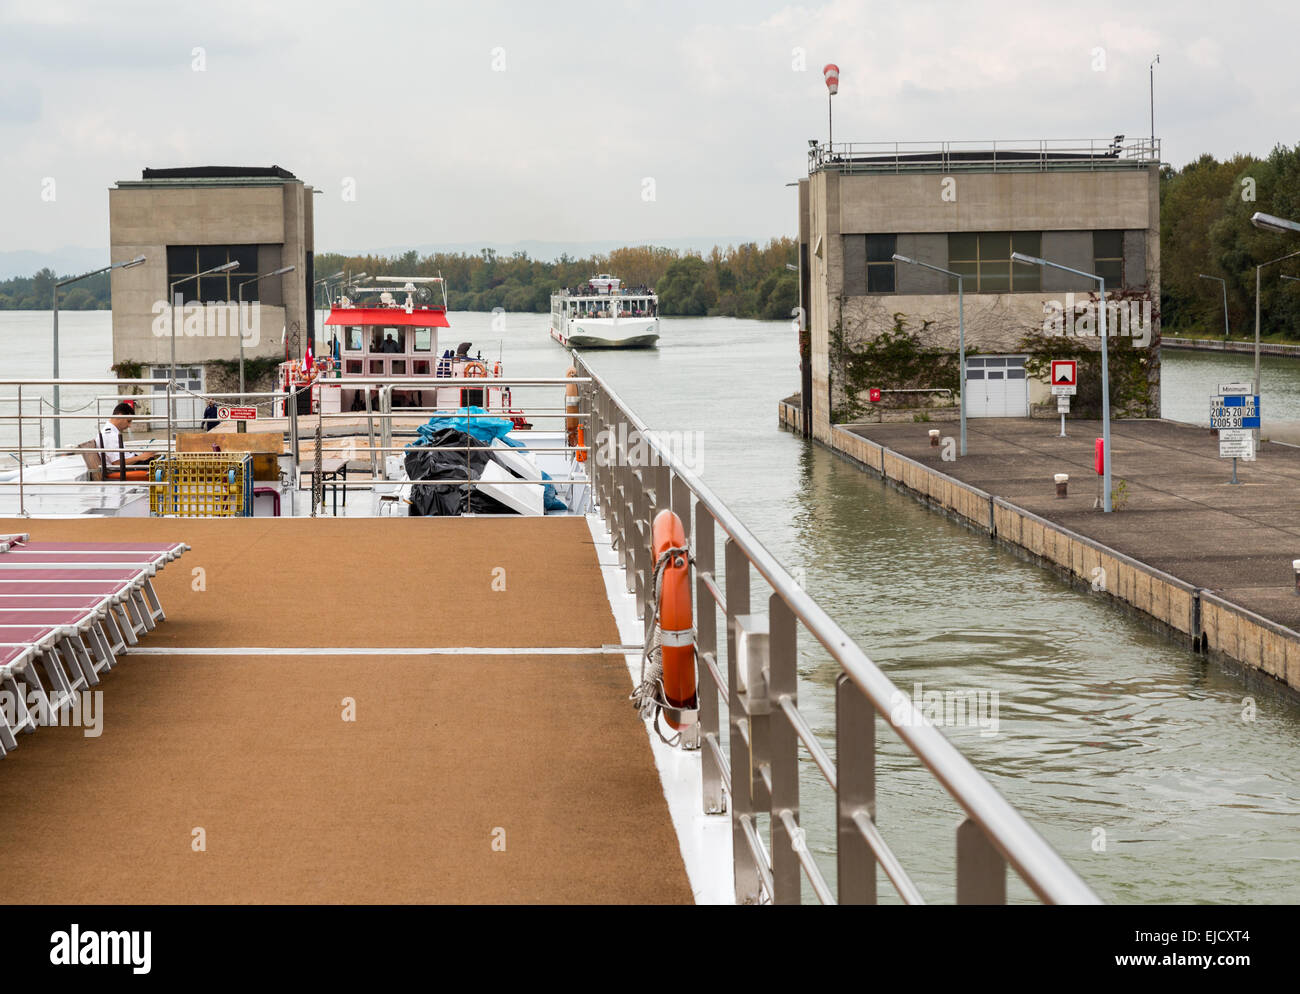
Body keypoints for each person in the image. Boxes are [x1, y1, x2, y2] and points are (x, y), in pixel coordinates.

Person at [99, 402, 154, 476]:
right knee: (156, 464)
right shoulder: (109, 435)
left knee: (153, 459)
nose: (129, 425)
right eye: (128, 421)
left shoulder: (112, 432)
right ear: (120, 416)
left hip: (129, 465)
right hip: (124, 470)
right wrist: (141, 457)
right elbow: (117, 463)